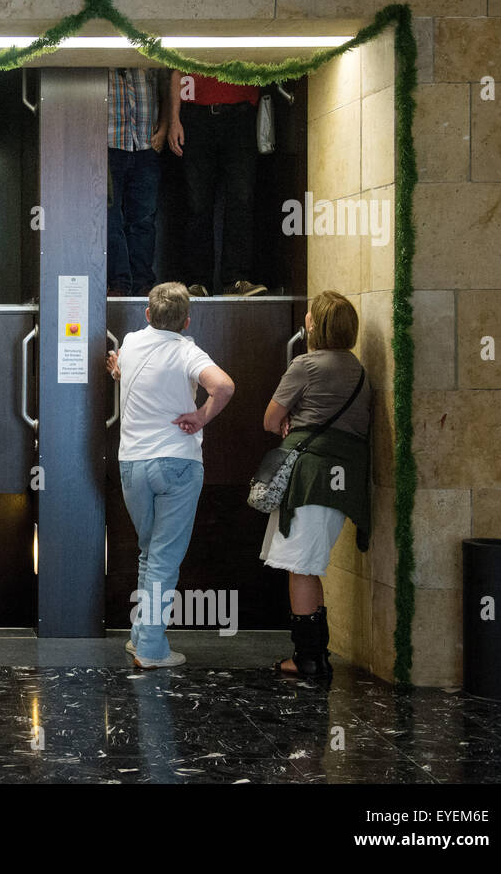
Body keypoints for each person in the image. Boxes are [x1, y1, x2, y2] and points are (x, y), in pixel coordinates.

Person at [107, 282, 235, 668]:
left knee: (150, 555)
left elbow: (127, 372)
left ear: (148, 315)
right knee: (163, 559)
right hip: (177, 464)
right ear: (186, 320)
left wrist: (117, 371)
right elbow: (224, 386)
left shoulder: (129, 344)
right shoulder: (186, 351)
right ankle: (150, 649)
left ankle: (140, 637)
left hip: (132, 465)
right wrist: (200, 417)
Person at [260, 290, 371, 678]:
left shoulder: (306, 365)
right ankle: (316, 654)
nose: (305, 323)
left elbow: (270, 420)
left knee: (300, 566)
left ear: (317, 326)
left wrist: (291, 421)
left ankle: (307, 659)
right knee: (307, 565)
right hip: (342, 479)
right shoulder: (357, 369)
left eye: (309, 319)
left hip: (311, 480)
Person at [167, 72, 267, 298]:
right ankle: (199, 282)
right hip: (195, 113)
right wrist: (175, 118)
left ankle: (235, 280)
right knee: (197, 202)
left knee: (241, 199)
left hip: (241, 112)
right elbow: (176, 66)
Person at [106, 67, 168, 297]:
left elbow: (164, 87)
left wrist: (164, 128)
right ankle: (119, 282)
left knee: (144, 218)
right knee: (111, 219)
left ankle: (143, 283)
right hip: (109, 142)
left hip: (146, 142)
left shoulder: (147, 49)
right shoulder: (99, 50)